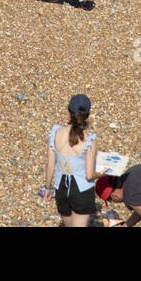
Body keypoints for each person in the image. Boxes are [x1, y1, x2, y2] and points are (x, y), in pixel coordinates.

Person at [43, 94, 99, 227]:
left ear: (69, 111)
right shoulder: (89, 139)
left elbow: (50, 165)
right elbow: (89, 174)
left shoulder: (56, 132)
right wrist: (105, 172)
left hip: (61, 188)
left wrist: (47, 188)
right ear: (87, 115)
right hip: (82, 190)